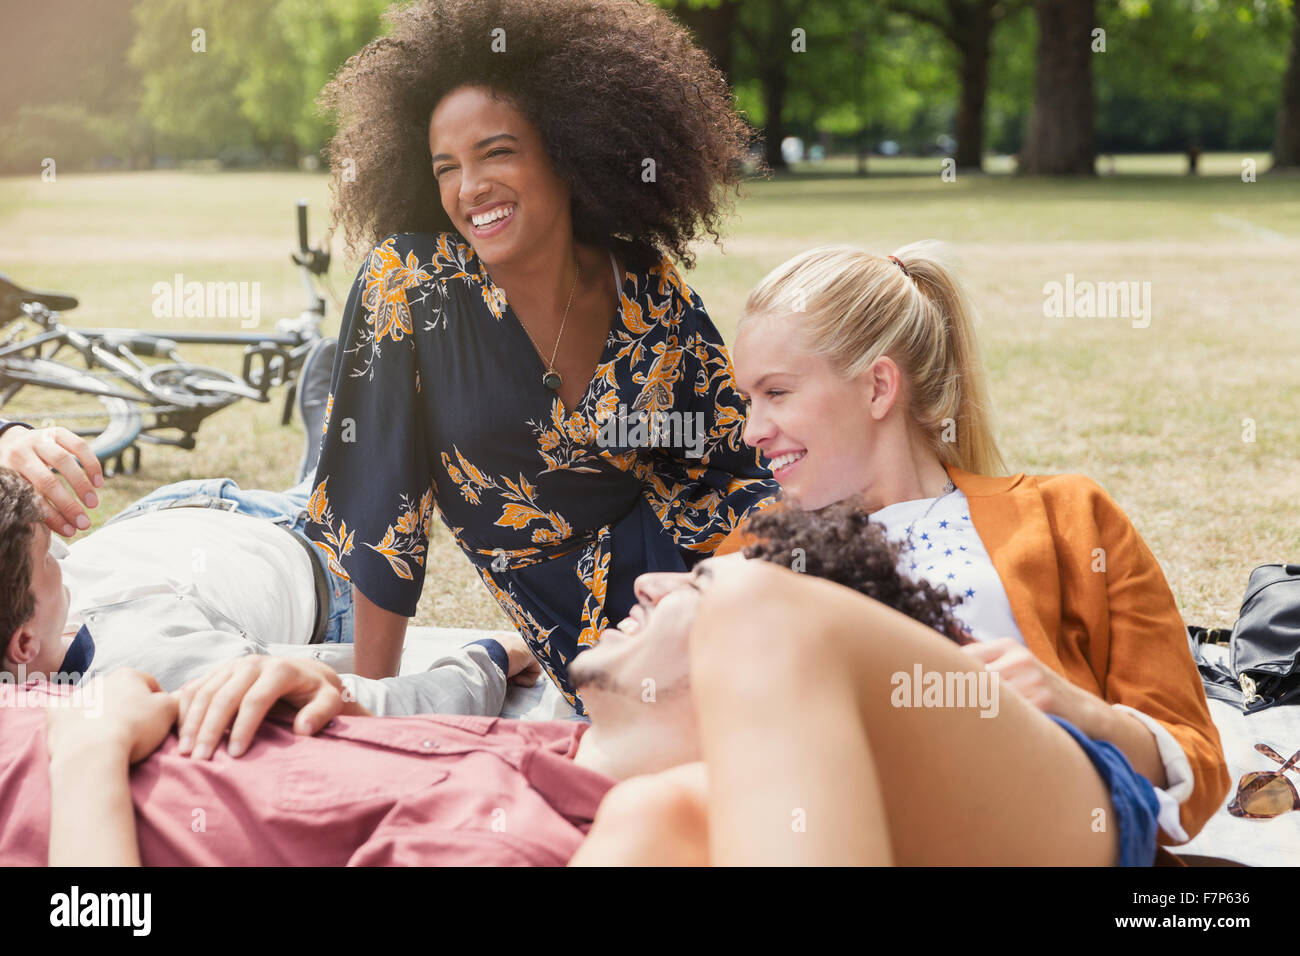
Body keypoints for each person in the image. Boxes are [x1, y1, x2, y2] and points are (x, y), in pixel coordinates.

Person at [18, 500, 1050, 866]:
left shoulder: (517, 841)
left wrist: (91, 749)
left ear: (756, 682)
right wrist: (312, 683)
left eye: (695, 584)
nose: (646, 578)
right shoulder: (529, 756)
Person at [303, 0, 777, 707]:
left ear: (566, 146)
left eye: (497, 151)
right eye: (446, 167)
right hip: (609, 658)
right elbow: (383, 522)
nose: (470, 189)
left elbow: (736, 462)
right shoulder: (412, 285)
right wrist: (370, 703)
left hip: (705, 589)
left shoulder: (645, 287)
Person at [711, 241, 1229, 859]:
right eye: (747, 399)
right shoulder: (753, 551)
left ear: (878, 386)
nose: (752, 430)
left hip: (1042, 816)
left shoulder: (1067, 517)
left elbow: (1196, 764)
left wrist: (1070, 705)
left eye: (777, 393)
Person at [0, 344, 540, 718]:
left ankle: (326, 455)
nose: (64, 556)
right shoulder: (162, 678)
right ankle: (330, 457)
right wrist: (493, 657)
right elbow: (372, 704)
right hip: (312, 555)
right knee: (390, 437)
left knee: (348, 448)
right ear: (24, 643)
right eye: (49, 557)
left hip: (176, 509)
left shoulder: (21, 600)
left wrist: (10, 436)